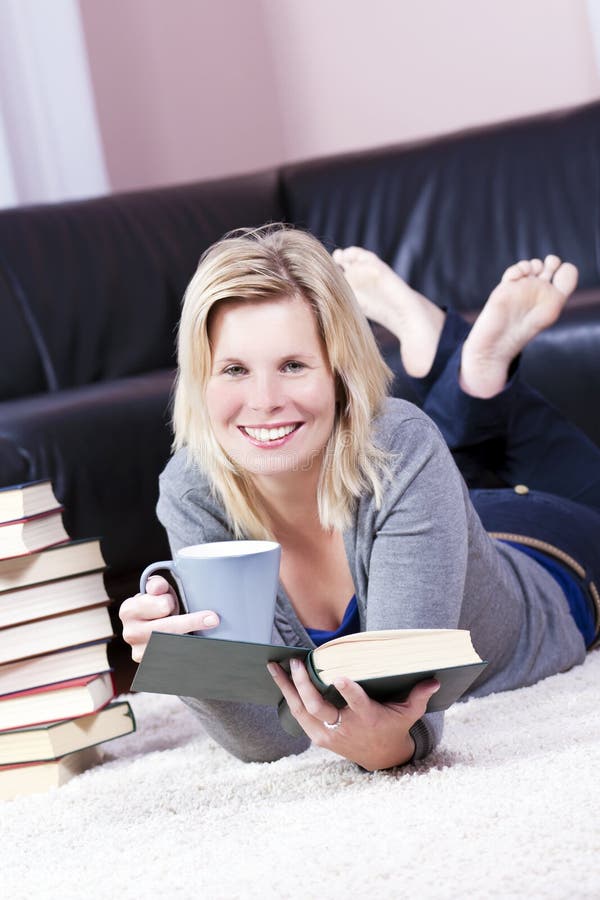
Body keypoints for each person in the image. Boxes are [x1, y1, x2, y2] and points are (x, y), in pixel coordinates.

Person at [119, 225, 599, 772]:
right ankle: (460, 366)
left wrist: (390, 744)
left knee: (410, 442)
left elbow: (408, 718)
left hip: (550, 544)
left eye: (293, 366)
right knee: (424, 452)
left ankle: (466, 364)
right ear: (201, 381)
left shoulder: (401, 445)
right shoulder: (191, 487)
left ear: (339, 371)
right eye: (233, 369)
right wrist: (186, 662)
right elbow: (266, 742)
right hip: (428, 512)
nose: (264, 401)